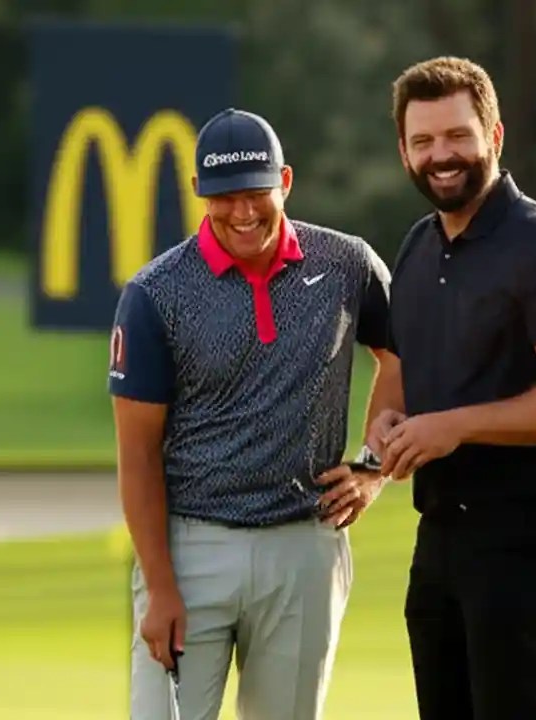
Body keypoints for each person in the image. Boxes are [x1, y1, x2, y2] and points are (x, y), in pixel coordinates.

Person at [108, 107, 399, 720]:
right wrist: (159, 587)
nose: (243, 213)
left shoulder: (347, 264)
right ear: (198, 194)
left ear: (285, 182)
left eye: (257, 194)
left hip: (304, 545)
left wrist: (375, 468)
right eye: (225, 197)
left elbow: (402, 355)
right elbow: (136, 455)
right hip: (191, 549)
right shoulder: (155, 294)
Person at [366, 57, 536, 720]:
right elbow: (396, 365)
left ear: (495, 136)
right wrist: (385, 426)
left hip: (533, 535)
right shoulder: (419, 247)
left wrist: (453, 426)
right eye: (423, 142)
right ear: (403, 151)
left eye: (456, 137)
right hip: (444, 536)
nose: (440, 157)